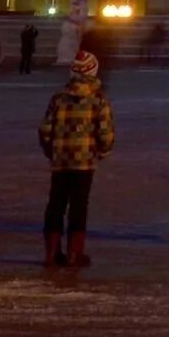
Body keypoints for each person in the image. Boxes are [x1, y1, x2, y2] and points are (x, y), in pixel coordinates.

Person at [36, 48, 114, 270]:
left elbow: (45, 129)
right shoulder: (98, 100)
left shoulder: (58, 99)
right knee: (79, 205)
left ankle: (51, 253)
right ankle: (74, 253)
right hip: (84, 161)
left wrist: (50, 150)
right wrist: (103, 150)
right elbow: (105, 132)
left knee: (56, 204)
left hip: (60, 160)